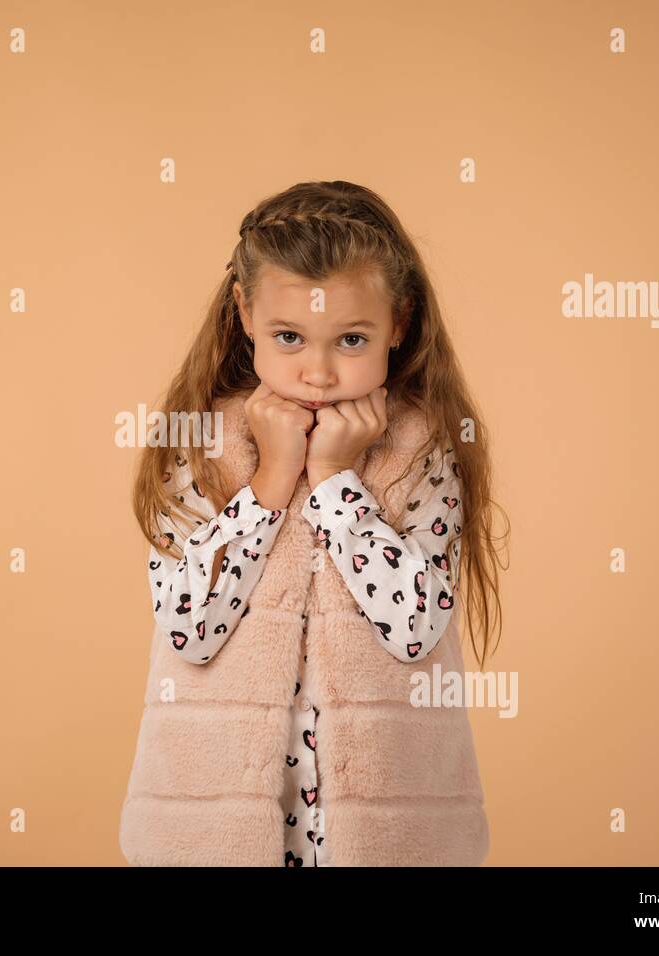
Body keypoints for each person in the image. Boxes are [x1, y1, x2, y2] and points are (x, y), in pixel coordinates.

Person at [121, 180, 507, 866]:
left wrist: (334, 480)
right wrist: (271, 479)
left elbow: (414, 626)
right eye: (290, 337)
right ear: (244, 311)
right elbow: (189, 626)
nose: (319, 371)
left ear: (400, 322)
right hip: (218, 829)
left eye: (351, 339)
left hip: (385, 834)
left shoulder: (424, 450)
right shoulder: (202, 445)